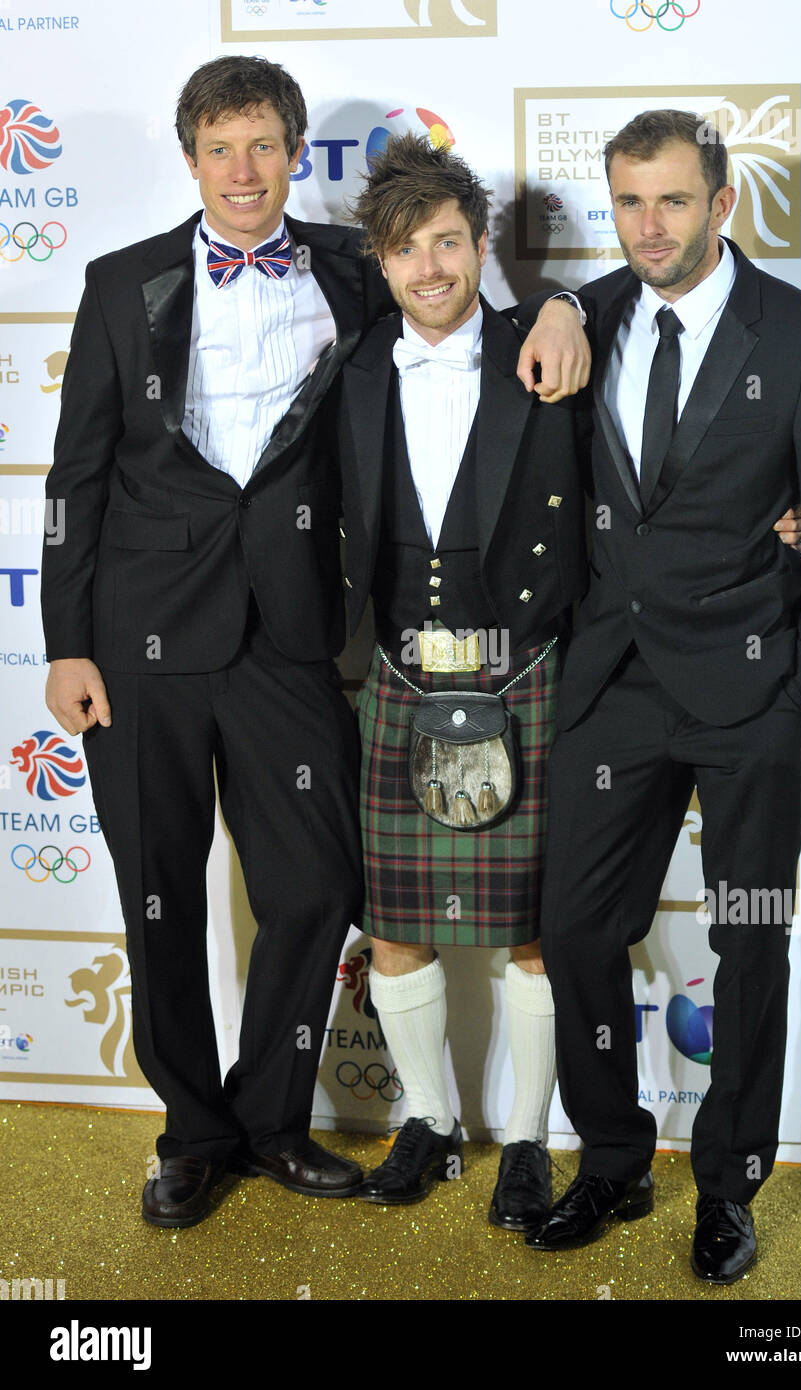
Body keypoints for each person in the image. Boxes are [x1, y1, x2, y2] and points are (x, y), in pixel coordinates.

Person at [39, 56, 586, 1230]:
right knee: (156, 898)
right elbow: (73, 479)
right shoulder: (118, 283)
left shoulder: (359, 265)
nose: (243, 172)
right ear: (190, 159)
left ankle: (272, 1116)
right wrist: (64, 643)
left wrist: (565, 301)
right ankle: (193, 1134)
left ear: (298, 157)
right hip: (136, 649)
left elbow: (466, 301)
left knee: (321, 884)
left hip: (288, 641)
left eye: (264, 146)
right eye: (219, 148)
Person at [337, 132, 801, 1232]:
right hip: (410, 674)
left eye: (449, 240)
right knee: (412, 919)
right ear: (379, 260)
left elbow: (722, 496)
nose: (432, 267)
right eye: (406, 250)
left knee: (551, 928)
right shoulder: (351, 369)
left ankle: (546, 1144)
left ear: (479, 242)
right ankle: (436, 1122)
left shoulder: (554, 342)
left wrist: (787, 572)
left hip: (546, 670)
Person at [523, 110, 801, 1280]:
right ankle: (613, 1160)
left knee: (751, 945)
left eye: (671, 201)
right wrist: (563, 298)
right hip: (610, 684)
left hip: (745, 693)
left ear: (721, 204)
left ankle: (726, 1185)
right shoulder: (593, 315)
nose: (648, 226)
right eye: (627, 202)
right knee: (576, 929)